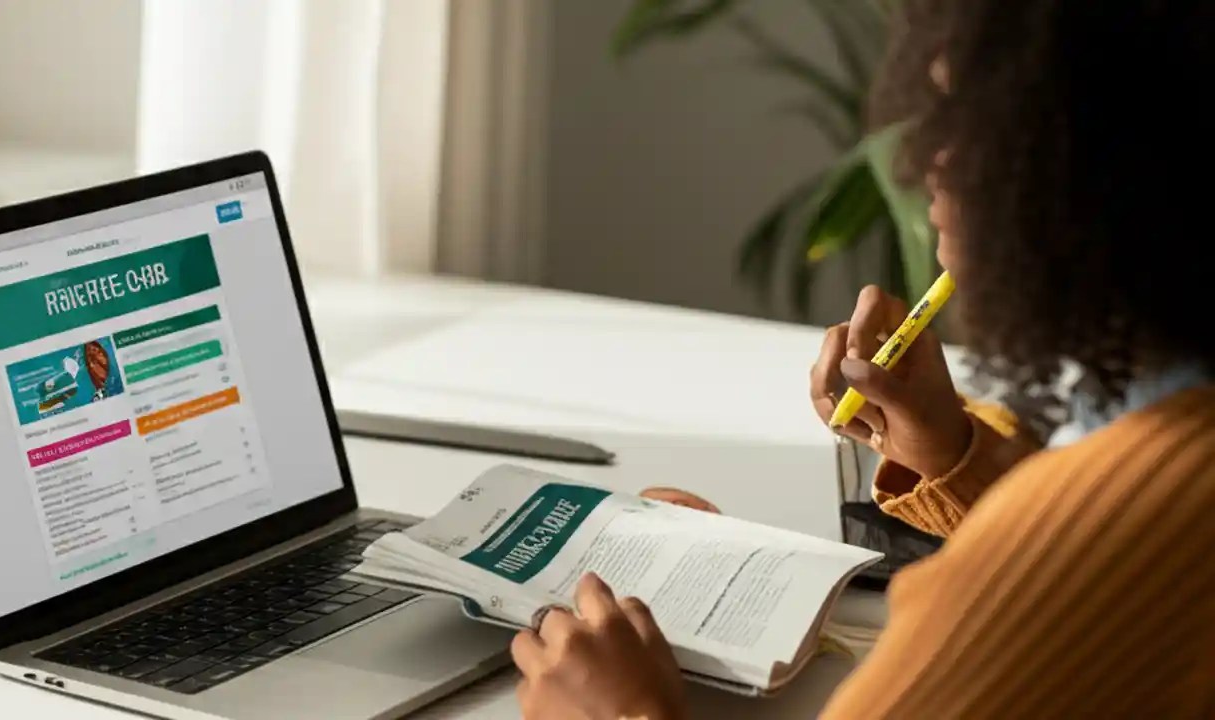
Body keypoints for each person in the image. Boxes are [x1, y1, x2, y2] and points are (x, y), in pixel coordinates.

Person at [508, 0, 1215, 717]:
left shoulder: (1131, 512)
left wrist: (622, 713)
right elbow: (1101, 603)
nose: (928, 162)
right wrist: (953, 453)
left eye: (969, 120)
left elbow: (1084, 563)